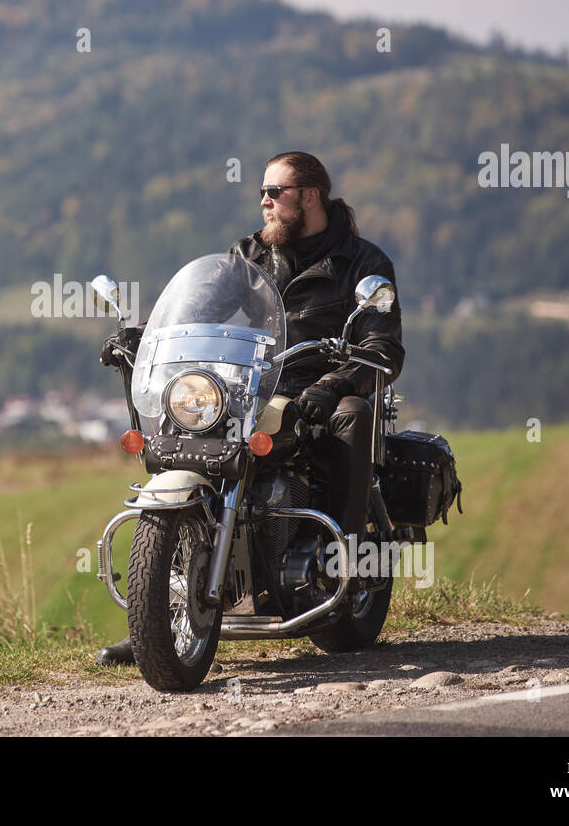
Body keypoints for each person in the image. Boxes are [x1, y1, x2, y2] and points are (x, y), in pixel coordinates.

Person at [95, 150, 405, 666]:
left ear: (309, 197)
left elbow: (383, 351)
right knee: (183, 435)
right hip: (249, 386)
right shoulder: (249, 255)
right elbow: (200, 313)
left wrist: (330, 385)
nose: (263, 201)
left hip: (317, 387)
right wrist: (143, 337)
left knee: (353, 413)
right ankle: (157, 618)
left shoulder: (363, 263)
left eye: (274, 192)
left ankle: (344, 561)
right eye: (262, 191)